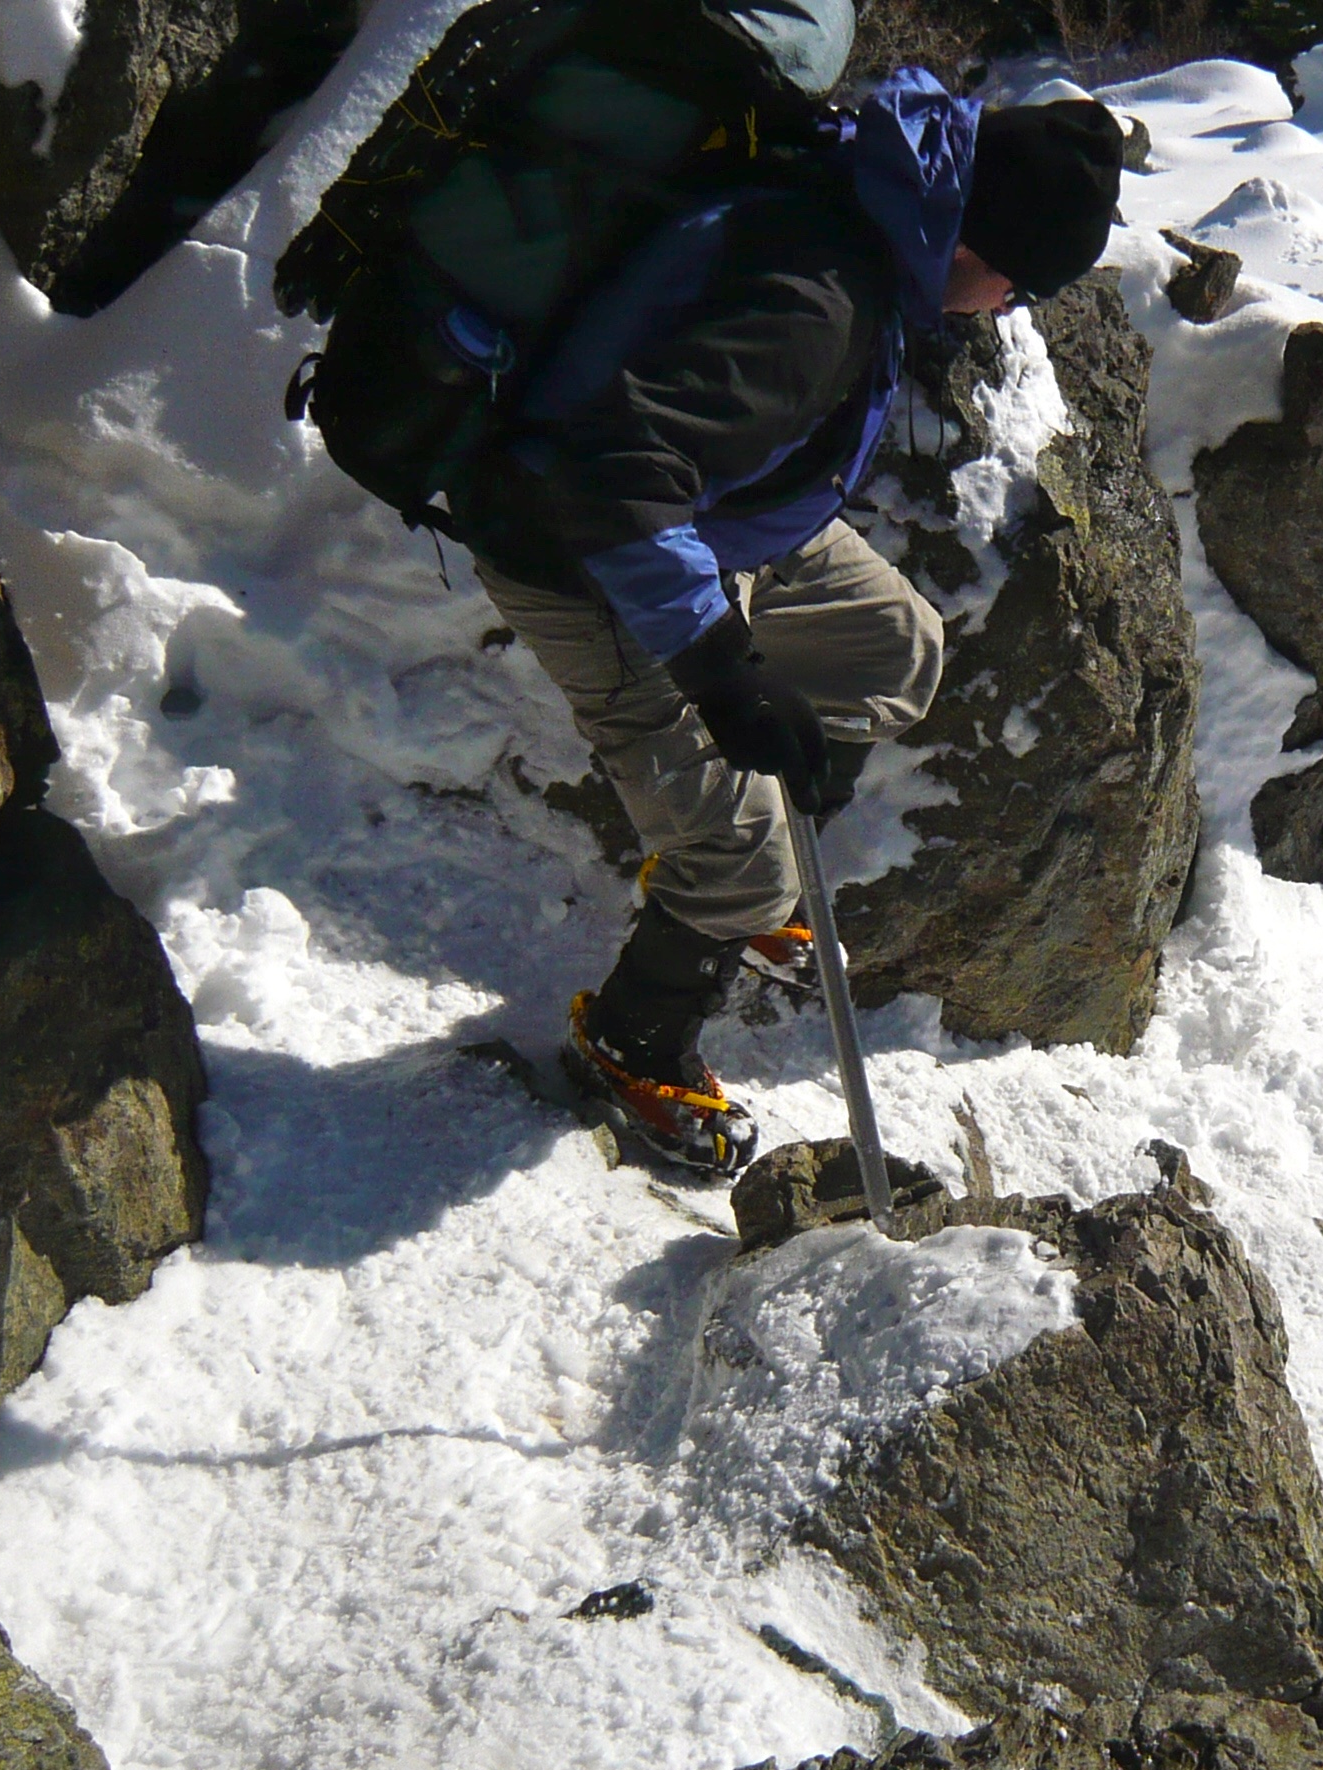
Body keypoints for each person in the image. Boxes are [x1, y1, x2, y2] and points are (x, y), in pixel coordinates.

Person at [446, 91, 1125, 1172]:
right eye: (1022, 283)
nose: (1008, 308)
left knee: (890, 645)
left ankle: (744, 886)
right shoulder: (818, 302)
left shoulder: (872, 208)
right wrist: (724, 675)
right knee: (742, 854)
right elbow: (613, 480)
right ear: (975, 243)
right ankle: (636, 1036)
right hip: (581, 553)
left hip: (710, 523)